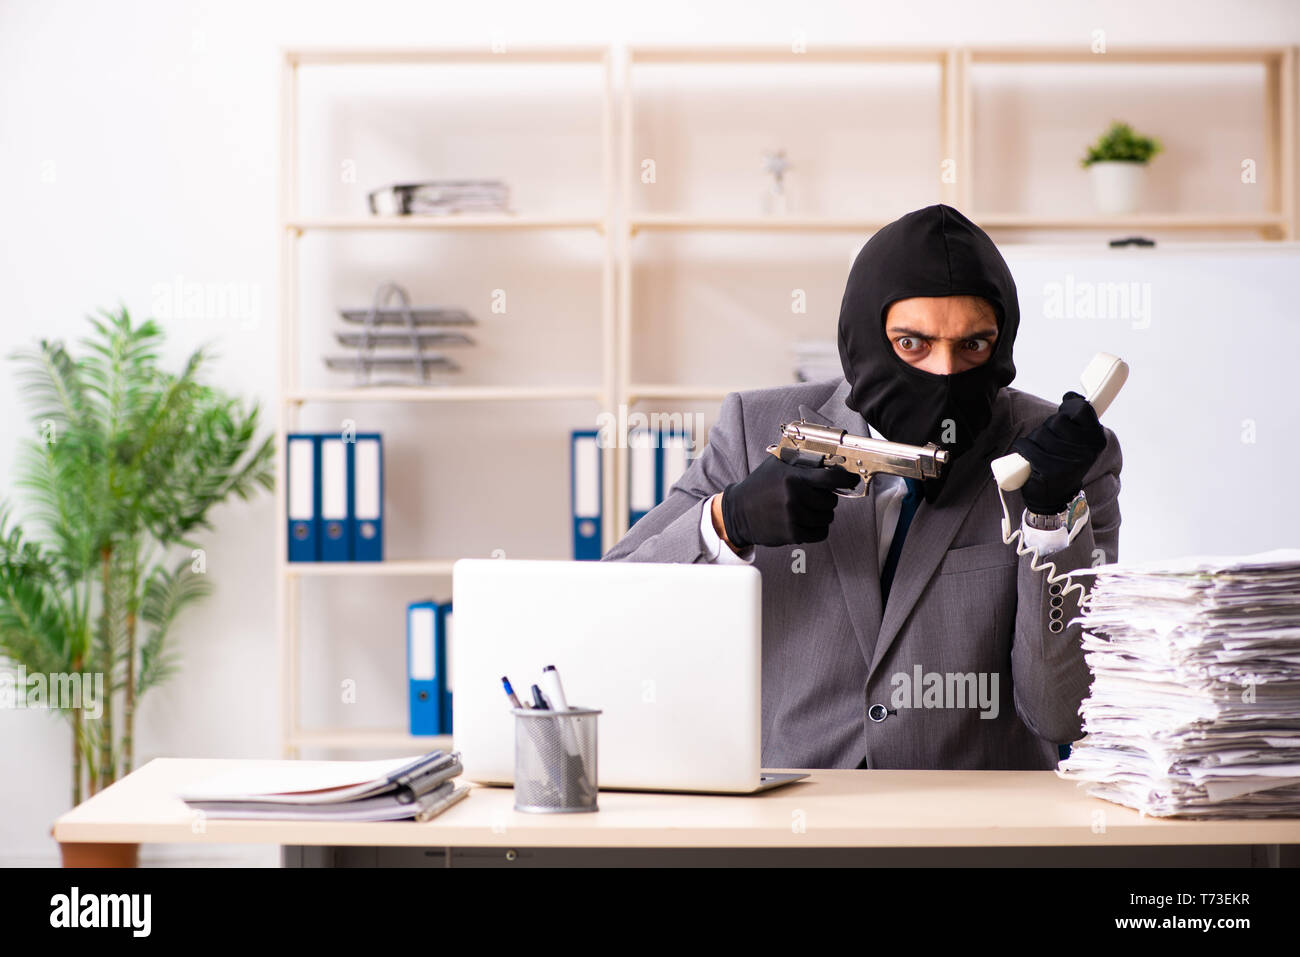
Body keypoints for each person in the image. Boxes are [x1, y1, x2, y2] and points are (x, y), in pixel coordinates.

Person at [602, 204, 1122, 771]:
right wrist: (727, 521)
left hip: (972, 826)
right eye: (911, 344)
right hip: (792, 816)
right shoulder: (756, 429)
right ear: (863, 339)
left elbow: (1063, 713)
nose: (945, 373)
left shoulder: (1061, 457)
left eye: (973, 346)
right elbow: (611, 610)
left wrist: (1050, 523)